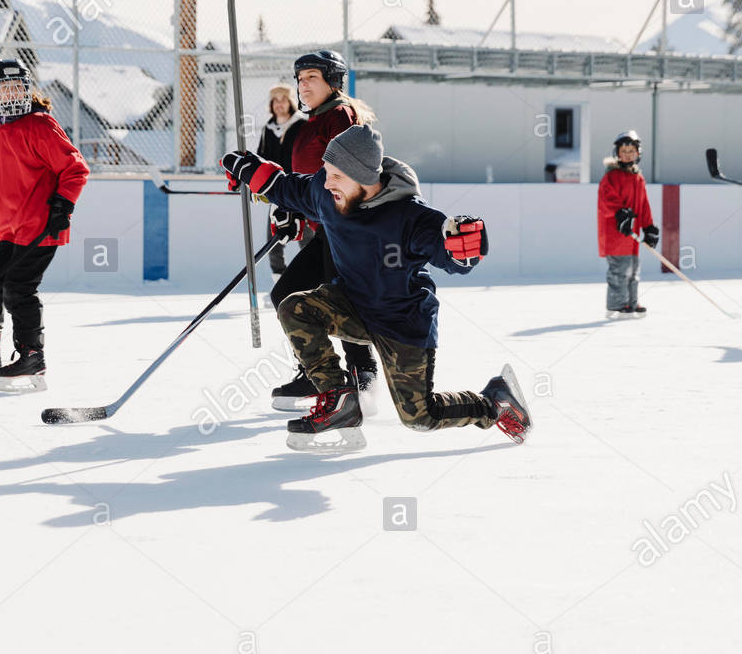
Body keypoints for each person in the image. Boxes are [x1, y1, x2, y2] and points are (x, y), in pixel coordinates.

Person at [221, 124, 531, 452]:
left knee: (420, 417)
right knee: (294, 307)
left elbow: (451, 256)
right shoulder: (327, 194)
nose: (327, 182)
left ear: (363, 177)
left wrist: (464, 248)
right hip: (351, 306)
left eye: (336, 175)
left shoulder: (411, 218)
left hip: (403, 324)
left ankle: (495, 402)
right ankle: (339, 400)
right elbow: (288, 188)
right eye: (326, 172)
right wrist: (251, 170)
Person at [0, 59, 90, 390]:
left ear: (28, 90)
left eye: (18, 87)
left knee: (18, 288)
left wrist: (62, 205)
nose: (12, 93)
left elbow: (75, 169)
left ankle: (31, 355)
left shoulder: (41, 125)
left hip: (42, 228)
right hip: (12, 231)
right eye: (5, 89)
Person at [268, 50, 383, 408]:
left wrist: (302, 203)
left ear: (334, 81)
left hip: (347, 231)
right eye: (300, 79)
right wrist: (292, 210)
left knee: (340, 301)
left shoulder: (340, 117)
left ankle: (363, 377)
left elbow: (343, 177)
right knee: (287, 295)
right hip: (323, 231)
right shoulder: (308, 124)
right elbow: (308, 182)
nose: (303, 85)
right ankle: (318, 373)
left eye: (312, 78)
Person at [597, 130, 658, 320]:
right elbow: (606, 201)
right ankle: (616, 305)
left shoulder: (638, 178)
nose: (627, 154)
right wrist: (619, 213)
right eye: (624, 150)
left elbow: (643, 205)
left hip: (632, 235)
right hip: (615, 233)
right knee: (620, 270)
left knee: (633, 269)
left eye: (632, 150)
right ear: (617, 153)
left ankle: (631, 303)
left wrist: (648, 227)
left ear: (638, 153)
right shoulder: (611, 177)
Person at [256, 83, 307, 275]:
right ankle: (279, 279)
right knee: (274, 239)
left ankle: (309, 280)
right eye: (275, 100)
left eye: (283, 99)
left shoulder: (302, 125)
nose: (279, 104)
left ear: (291, 101)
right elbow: (261, 157)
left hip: (300, 188)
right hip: (277, 190)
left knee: (306, 237)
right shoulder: (267, 129)